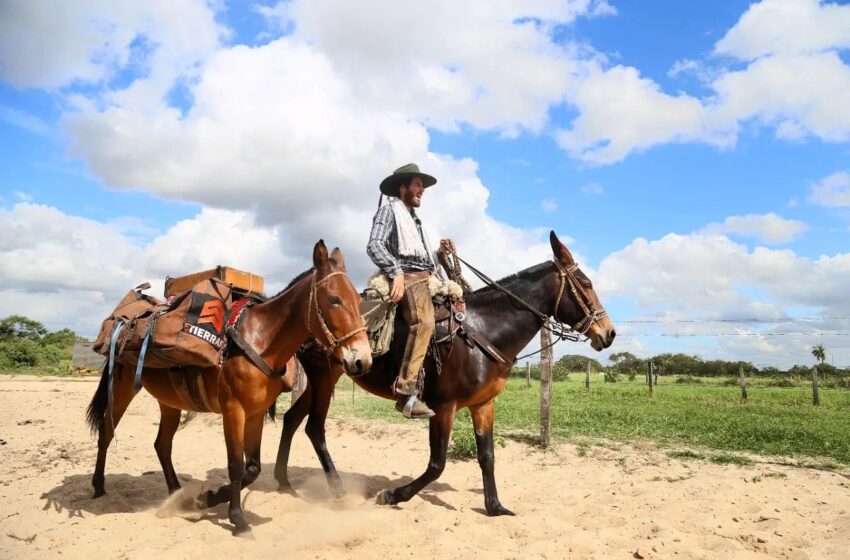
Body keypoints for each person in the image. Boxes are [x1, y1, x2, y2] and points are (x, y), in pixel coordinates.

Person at [367, 163, 438, 419]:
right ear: (403, 187)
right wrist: (396, 272)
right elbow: (374, 244)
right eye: (418, 184)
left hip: (425, 277)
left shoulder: (415, 222)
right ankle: (406, 393)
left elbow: (424, 259)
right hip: (407, 278)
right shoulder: (389, 211)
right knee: (425, 322)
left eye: (422, 186)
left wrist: (441, 254)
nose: (422, 190)